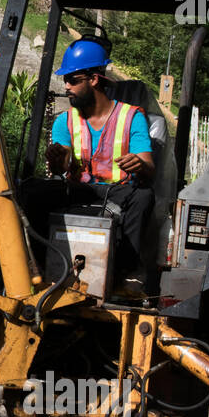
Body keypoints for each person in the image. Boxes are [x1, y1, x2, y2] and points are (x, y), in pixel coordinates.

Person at [43, 39, 155, 277]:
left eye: (73, 80)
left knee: (144, 197)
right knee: (34, 191)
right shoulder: (65, 120)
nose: (67, 86)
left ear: (94, 79)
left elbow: (148, 165)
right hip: (79, 188)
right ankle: (35, 265)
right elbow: (63, 165)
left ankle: (128, 274)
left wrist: (140, 164)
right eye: (65, 80)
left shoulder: (131, 117)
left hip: (119, 191)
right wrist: (58, 159)